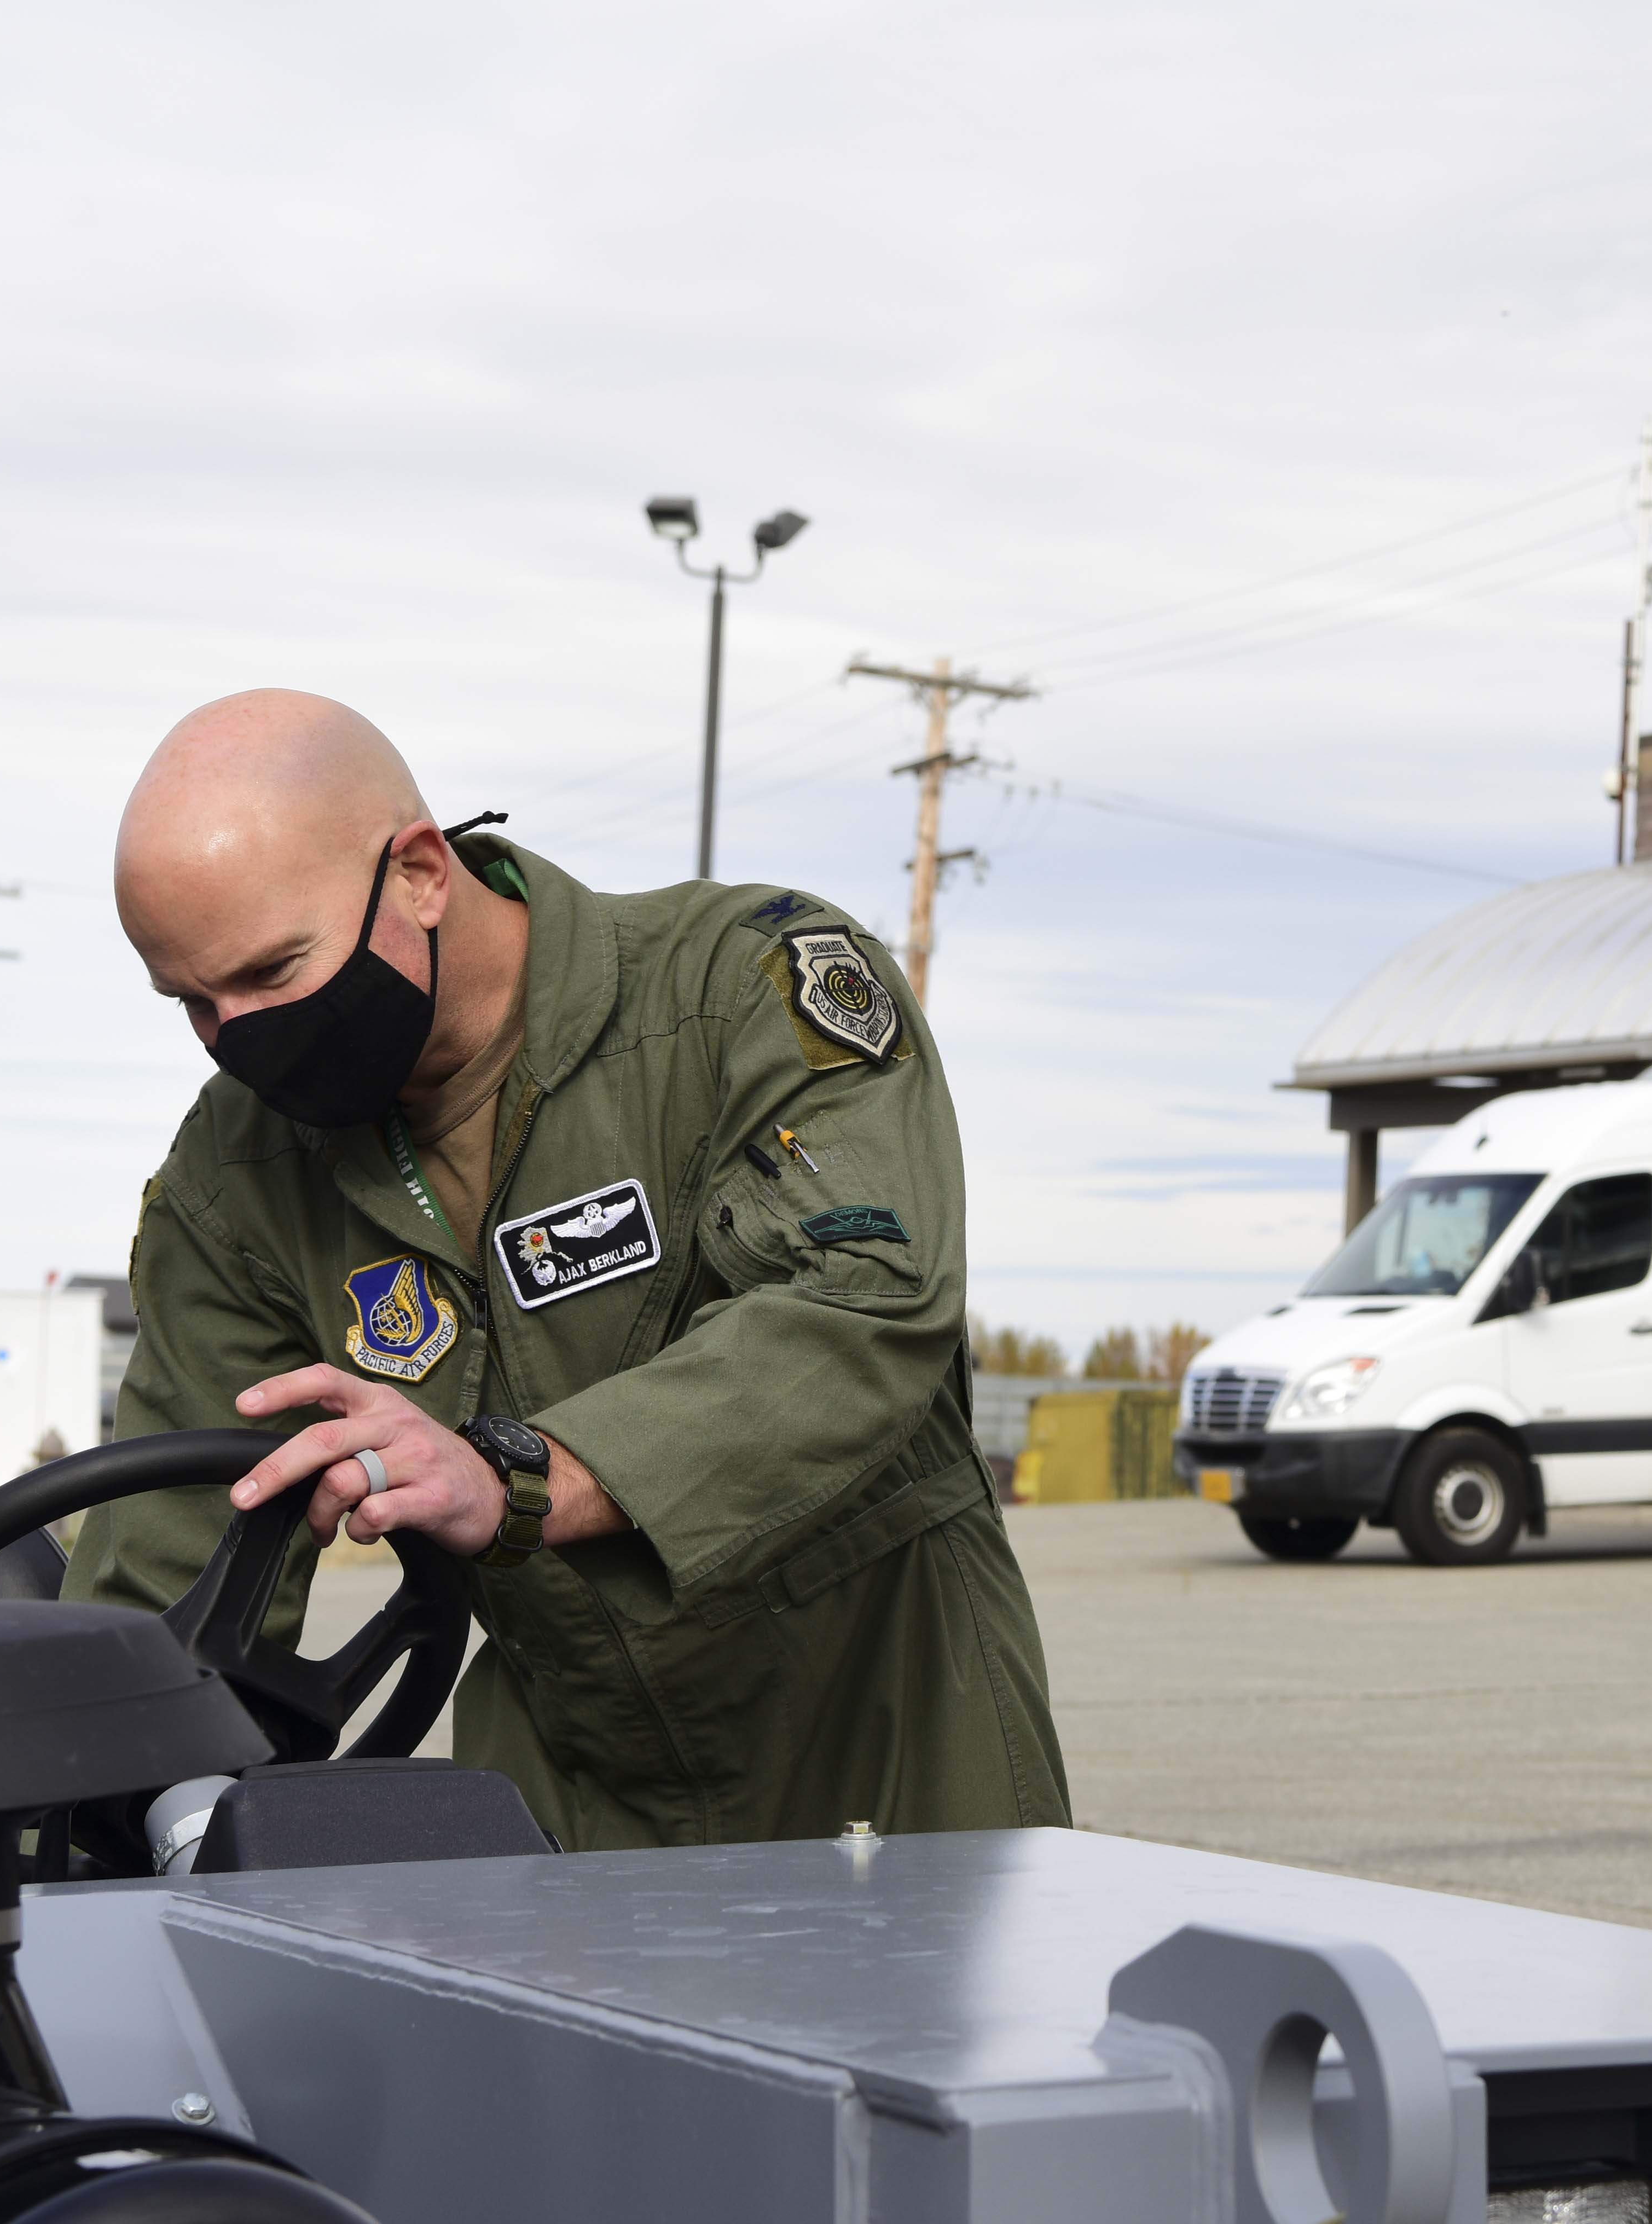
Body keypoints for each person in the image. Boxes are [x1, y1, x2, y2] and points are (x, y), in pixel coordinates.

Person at [67, 688, 1071, 1850]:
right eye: (192, 1001)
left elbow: (862, 1306)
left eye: (274, 972)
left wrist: (522, 1474)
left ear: (420, 874)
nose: (237, 1034)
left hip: (891, 1753)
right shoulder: (237, 1171)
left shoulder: (743, 993)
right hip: (571, 1796)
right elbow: (177, 1549)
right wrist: (116, 1775)